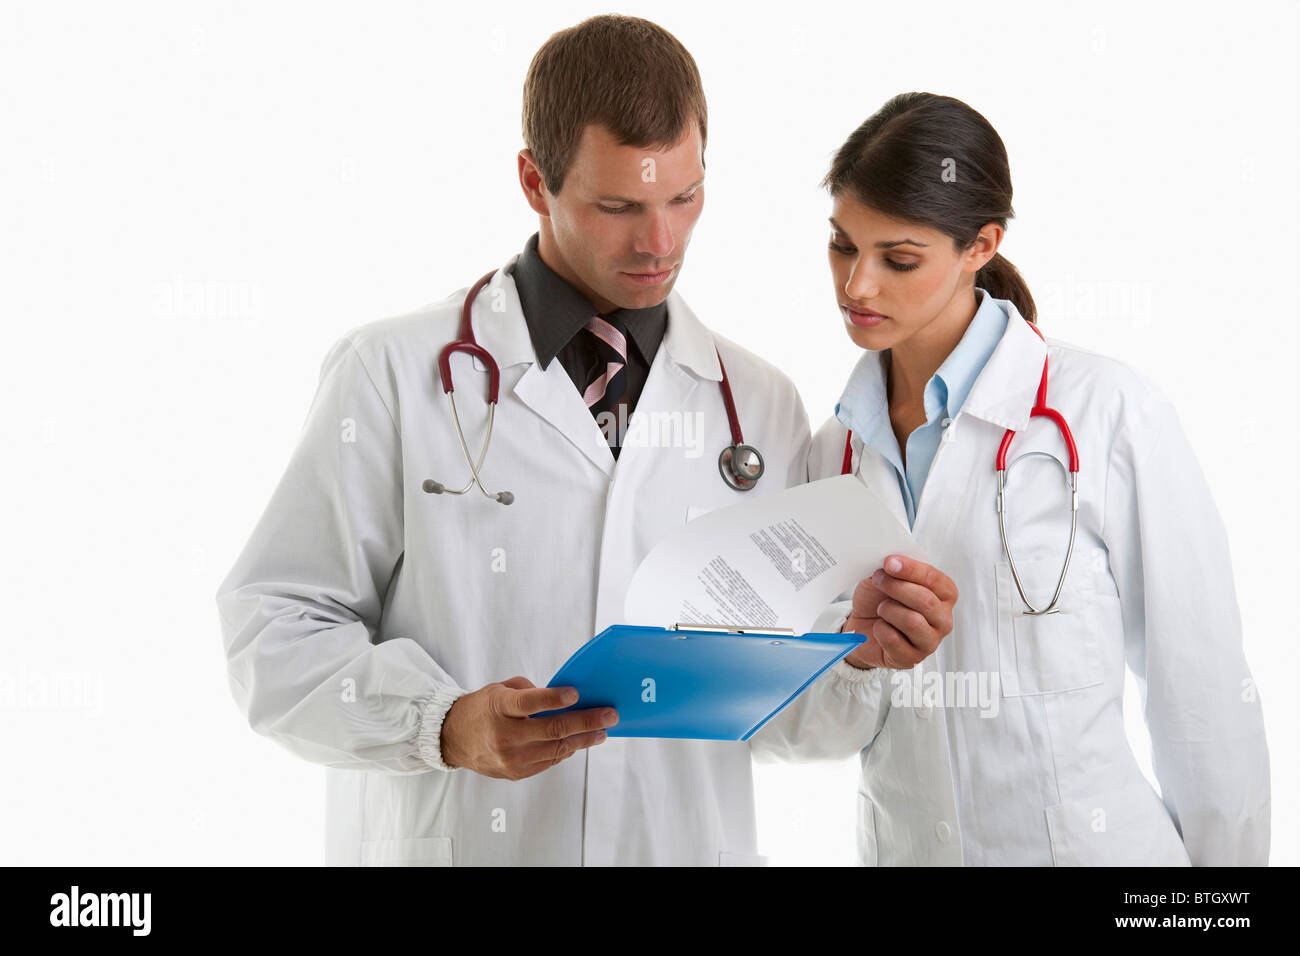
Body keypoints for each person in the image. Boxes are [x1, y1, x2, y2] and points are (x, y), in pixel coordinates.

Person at [214, 17, 957, 866]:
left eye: (684, 198)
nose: (660, 242)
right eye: (618, 207)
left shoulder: (758, 404)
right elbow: (273, 631)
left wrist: (857, 655)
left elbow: (782, 727)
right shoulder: (389, 372)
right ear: (535, 181)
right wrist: (444, 725)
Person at [800, 92, 1270, 865]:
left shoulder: (1109, 413)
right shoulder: (831, 453)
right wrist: (854, 655)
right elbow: (805, 733)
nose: (858, 285)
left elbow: (1203, 696)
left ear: (981, 245)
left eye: (899, 258)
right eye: (843, 245)